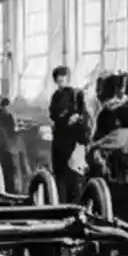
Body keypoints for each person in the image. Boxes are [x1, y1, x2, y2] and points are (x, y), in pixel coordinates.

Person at [48, 66, 90, 203]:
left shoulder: (76, 95)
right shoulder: (55, 96)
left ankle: (73, 204)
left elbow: (83, 114)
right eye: (58, 81)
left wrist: (76, 117)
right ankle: (62, 203)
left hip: (71, 140)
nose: (61, 83)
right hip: (59, 139)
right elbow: (53, 115)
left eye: (63, 80)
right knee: (60, 173)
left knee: (72, 175)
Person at [0, 96, 30, 194]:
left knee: (11, 172)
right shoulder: (7, 117)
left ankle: (14, 190)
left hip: (7, 149)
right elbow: (12, 130)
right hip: (12, 147)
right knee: (18, 170)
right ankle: (21, 191)